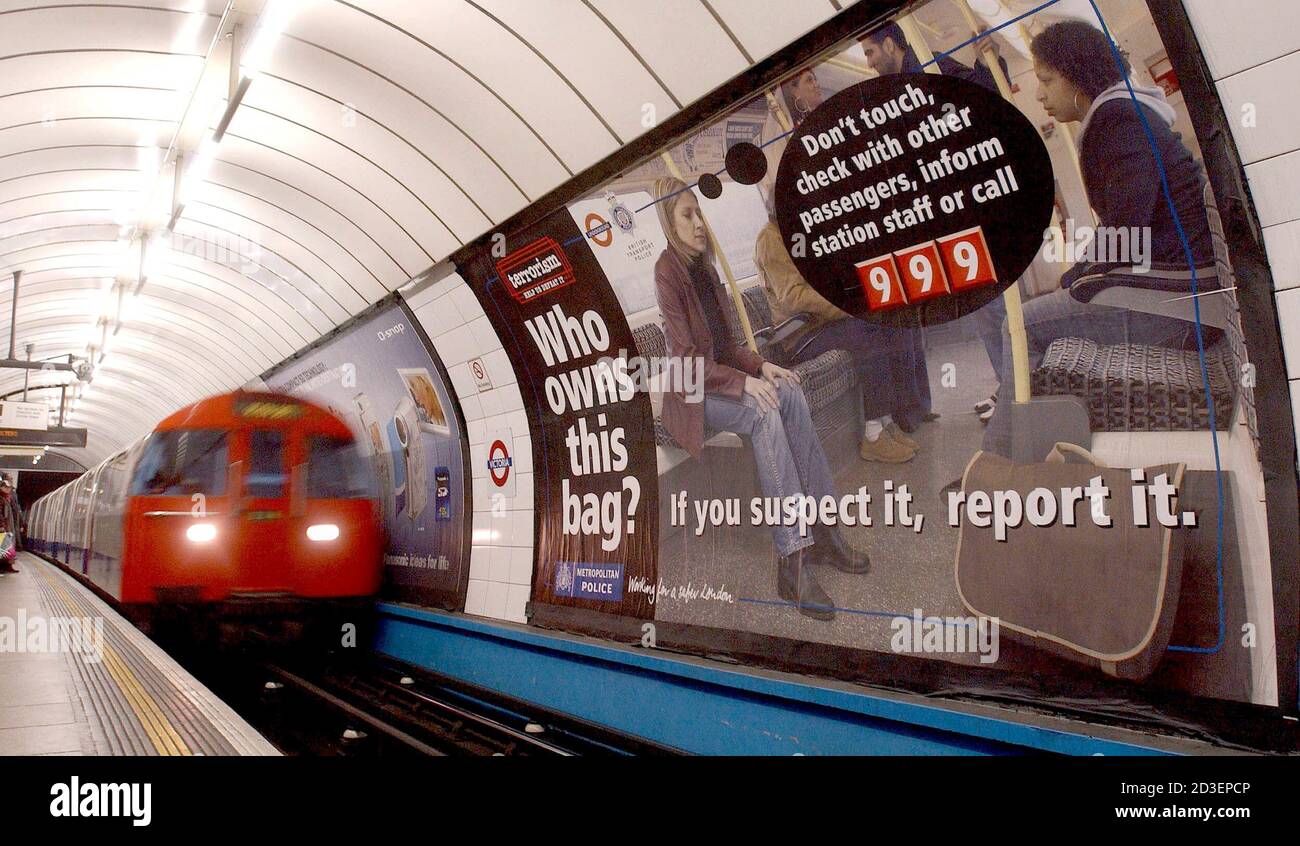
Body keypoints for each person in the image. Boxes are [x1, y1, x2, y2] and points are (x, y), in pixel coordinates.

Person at [982, 19, 1219, 458]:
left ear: (1079, 75)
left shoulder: (1118, 121)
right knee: (1046, 310)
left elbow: (1127, 232)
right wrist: (1079, 275)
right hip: (1183, 292)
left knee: (1019, 325)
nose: (1040, 95)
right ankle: (1036, 448)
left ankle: (1006, 462)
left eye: (1047, 80)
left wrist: (1078, 279)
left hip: (1177, 306)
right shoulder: (1130, 113)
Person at [653, 177, 871, 621]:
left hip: (718, 378)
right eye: (687, 215)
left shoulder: (706, 270)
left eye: (699, 212)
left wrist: (760, 368)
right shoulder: (667, 272)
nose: (699, 223)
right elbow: (687, 360)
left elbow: (727, 346)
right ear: (669, 224)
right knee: (762, 410)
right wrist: (741, 386)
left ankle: (825, 529)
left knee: (786, 388)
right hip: (691, 394)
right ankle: (791, 559)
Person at [861, 22, 1008, 423]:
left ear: (891, 44)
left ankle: (1013, 392)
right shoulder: (900, 89)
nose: (869, 64)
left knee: (992, 307)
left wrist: (987, 58)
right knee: (985, 307)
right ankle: (1008, 385)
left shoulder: (931, 68)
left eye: (871, 53)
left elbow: (989, 94)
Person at [0, 477, 20, 573]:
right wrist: (1, 525)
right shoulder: (1, 499)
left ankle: (8, 566)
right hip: (3, 527)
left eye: (9, 488)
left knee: (8, 547)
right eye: (5, 487)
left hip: (8, 526)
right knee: (3, 548)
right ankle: (2, 567)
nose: (8, 489)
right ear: (1, 487)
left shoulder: (7, 498)